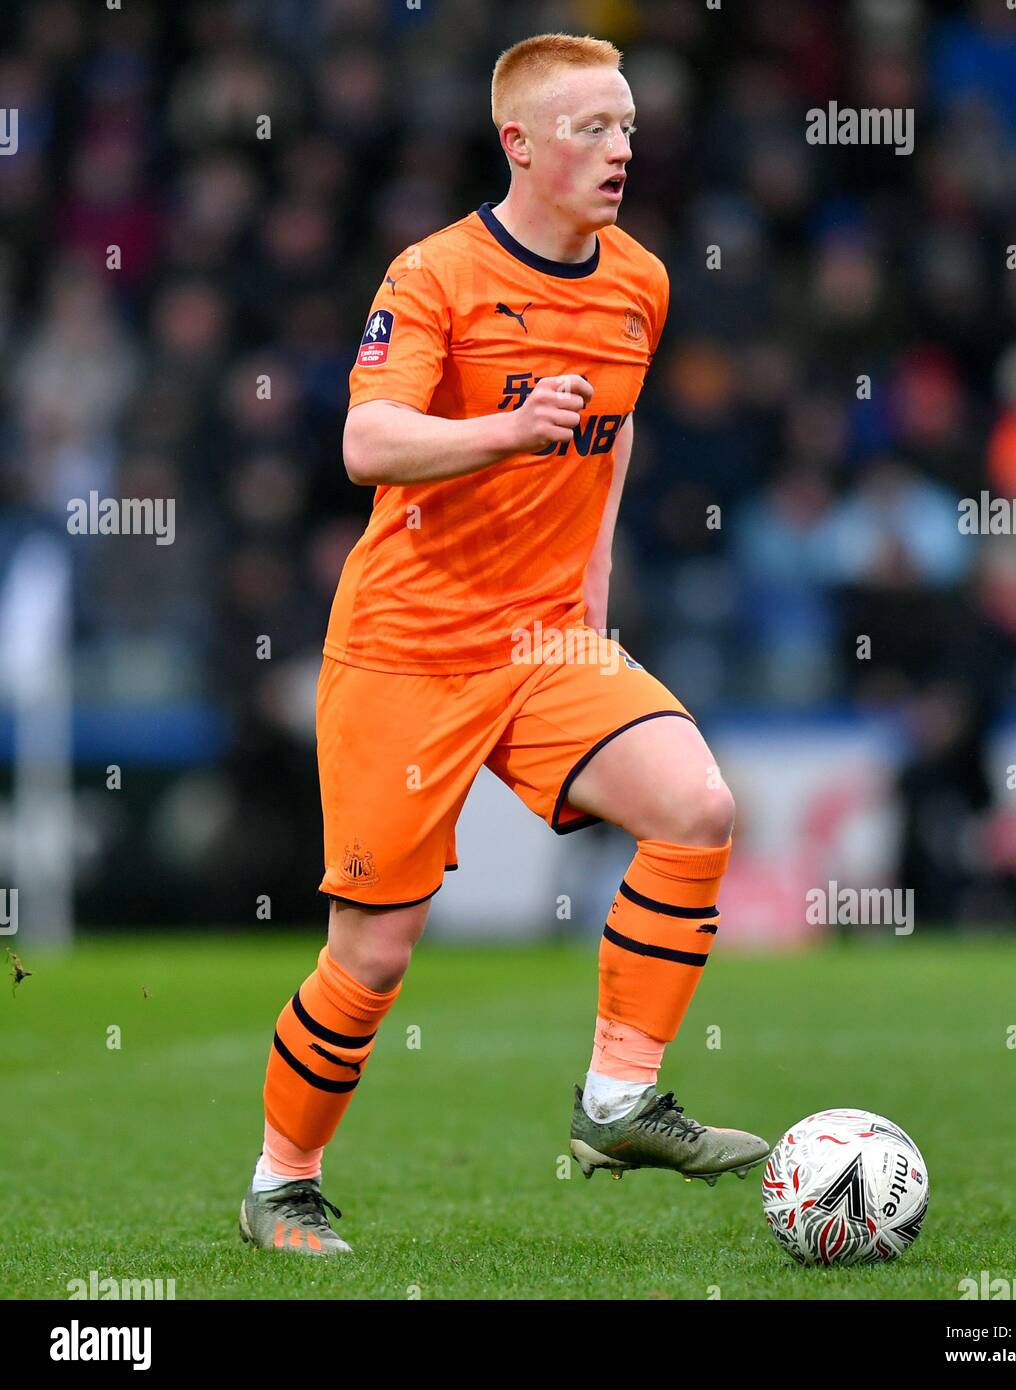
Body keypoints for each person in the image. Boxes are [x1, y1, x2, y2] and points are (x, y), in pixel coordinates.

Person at [239, 31, 766, 1257]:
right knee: (371, 957)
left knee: (695, 804)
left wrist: (590, 582)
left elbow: (615, 431)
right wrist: (506, 430)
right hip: (405, 649)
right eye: (589, 127)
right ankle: (282, 1183)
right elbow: (370, 445)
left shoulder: (638, 280)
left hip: (541, 643)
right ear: (518, 143)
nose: (619, 149)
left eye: (626, 125)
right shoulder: (431, 274)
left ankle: (618, 1101)